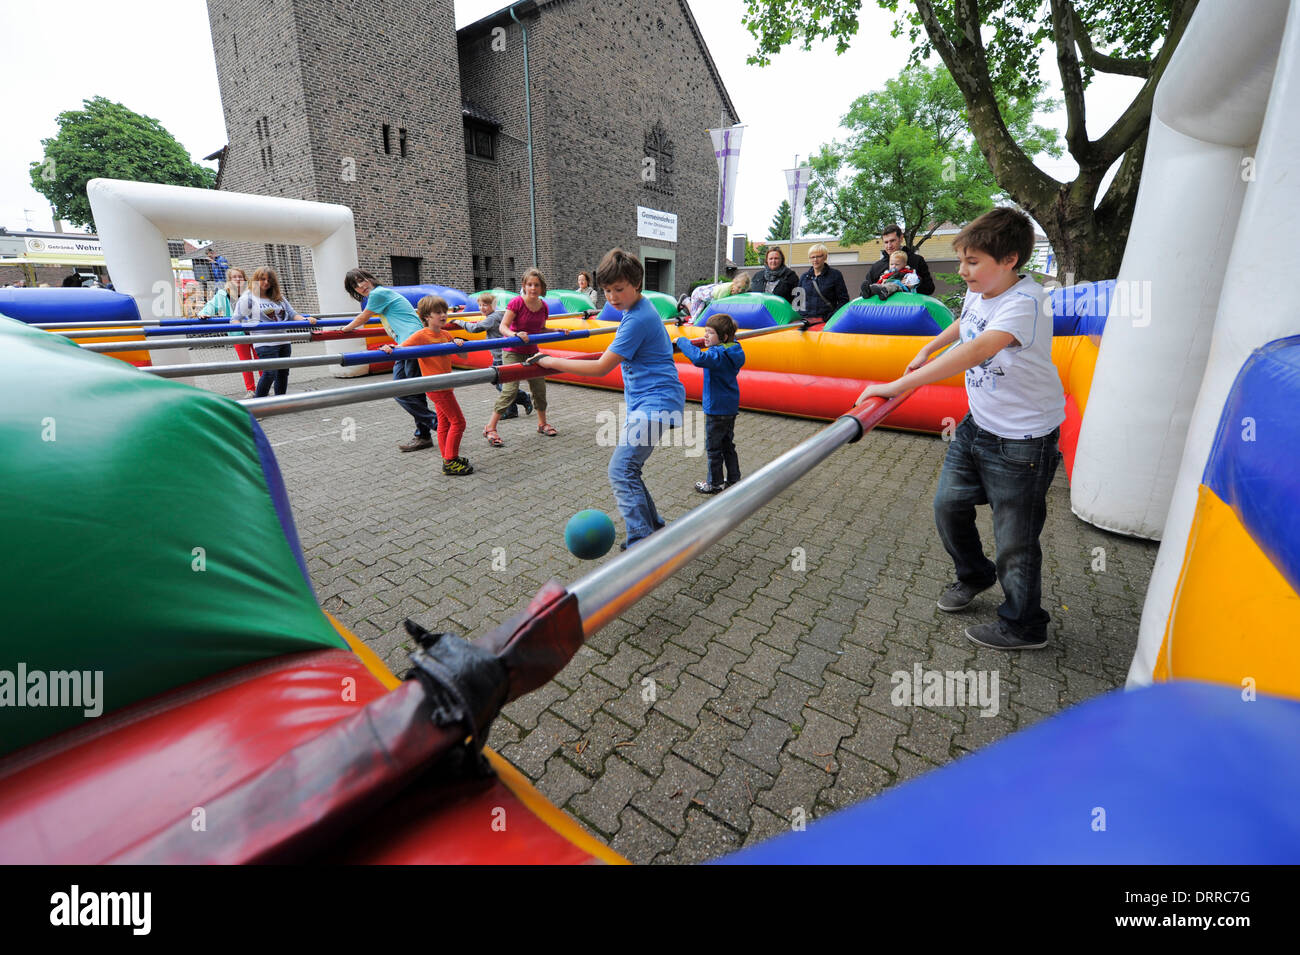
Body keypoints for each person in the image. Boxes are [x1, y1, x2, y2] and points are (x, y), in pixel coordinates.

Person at [856, 207, 1064, 651]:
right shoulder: (982, 290)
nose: (964, 271)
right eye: (963, 260)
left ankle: (1025, 625)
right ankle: (975, 574)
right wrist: (927, 348)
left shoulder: (1024, 303)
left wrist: (897, 385)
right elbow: (964, 324)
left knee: (1016, 541)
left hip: (1023, 440)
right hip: (978, 426)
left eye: (973, 262)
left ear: (1009, 260)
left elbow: (976, 351)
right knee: (947, 507)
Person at [531, 248, 685, 549]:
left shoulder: (636, 319)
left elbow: (601, 367)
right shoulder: (641, 309)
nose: (612, 297)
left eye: (619, 289)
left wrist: (551, 362)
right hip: (653, 402)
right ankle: (654, 527)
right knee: (629, 469)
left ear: (636, 285)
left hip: (656, 404)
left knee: (620, 470)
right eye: (606, 290)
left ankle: (641, 542)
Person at [340, 268, 437, 452]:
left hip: (412, 344)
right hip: (405, 345)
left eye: (362, 280)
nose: (361, 286)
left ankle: (435, 424)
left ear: (370, 278)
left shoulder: (379, 293)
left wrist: (346, 329)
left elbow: (364, 317)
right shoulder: (380, 295)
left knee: (402, 391)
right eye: (355, 285)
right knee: (410, 391)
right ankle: (423, 435)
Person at [379, 295, 473, 476]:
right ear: (426, 317)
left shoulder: (446, 334)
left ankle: (448, 458)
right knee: (459, 422)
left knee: (444, 423)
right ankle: (451, 460)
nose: (443, 315)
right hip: (437, 387)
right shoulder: (421, 335)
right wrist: (388, 348)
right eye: (438, 312)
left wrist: (458, 344)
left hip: (446, 385)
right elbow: (402, 348)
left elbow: (463, 357)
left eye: (444, 311)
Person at [481, 268, 556, 447]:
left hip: (532, 351)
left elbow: (541, 329)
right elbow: (503, 328)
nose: (533, 288)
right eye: (530, 284)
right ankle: (490, 428)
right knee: (510, 390)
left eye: (536, 285)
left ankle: (542, 424)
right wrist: (515, 334)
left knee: (539, 388)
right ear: (524, 286)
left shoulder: (543, 306)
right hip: (513, 351)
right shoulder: (516, 303)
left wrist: (557, 331)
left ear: (542, 287)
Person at [674, 312, 745, 494]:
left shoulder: (718, 354)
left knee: (714, 448)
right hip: (730, 407)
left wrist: (683, 342)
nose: (705, 336)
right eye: (705, 332)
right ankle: (734, 479)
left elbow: (699, 359)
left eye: (710, 333)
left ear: (724, 337)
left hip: (716, 408)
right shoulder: (734, 349)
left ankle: (714, 483)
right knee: (727, 444)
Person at [234, 267, 316, 397]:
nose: (266, 282)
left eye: (269, 280)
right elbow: (235, 320)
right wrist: (249, 329)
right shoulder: (248, 297)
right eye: (262, 279)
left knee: (283, 372)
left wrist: (306, 319)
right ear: (256, 280)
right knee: (269, 373)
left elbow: (292, 314)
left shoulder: (278, 297)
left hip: (283, 340)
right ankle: (259, 406)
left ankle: (279, 402)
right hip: (264, 342)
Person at [453, 292, 532, 420]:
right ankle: (511, 409)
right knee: (500, 383)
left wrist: (459, 322)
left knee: (502, 384)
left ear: (493, 305)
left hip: (502, 356)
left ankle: (523, 397)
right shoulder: (496, 315)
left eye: (485, 305)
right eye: (479, 305)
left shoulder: (493, 317)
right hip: (500, 355)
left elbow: (476, 328)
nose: (482, 308)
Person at [199, 266, 257, 396]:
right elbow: (211, 305)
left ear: (244, 278)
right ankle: (251, 390)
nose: (237, 279)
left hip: (256, 332)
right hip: (238, 334)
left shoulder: (252, 292)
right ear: (229, 280)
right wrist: (204, 313)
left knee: (261, 361)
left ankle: (266, 387)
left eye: (240, 276)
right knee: (246, 363)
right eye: (234, 277)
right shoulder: (223, 293)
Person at [860, 224, 935, 298]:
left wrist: (912, 285)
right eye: (886, 242)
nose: (889, 245)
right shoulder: (876, 267)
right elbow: (863, 294)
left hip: (908, 307)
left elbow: (929, 288)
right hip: (883, 309)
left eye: (892, 241)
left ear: (901, 238)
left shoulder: (917, 260)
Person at [797, 243, 849, 323]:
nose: (815, 260)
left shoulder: (835, 275)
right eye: (812, 257)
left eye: (819, 256)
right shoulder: (804, 277)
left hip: (826, 322)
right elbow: (797, 301)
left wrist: (830, 317)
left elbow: (844, 300)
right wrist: (801, 316)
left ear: (825, 257)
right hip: (806, 322)